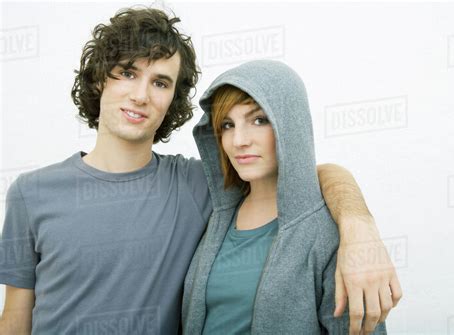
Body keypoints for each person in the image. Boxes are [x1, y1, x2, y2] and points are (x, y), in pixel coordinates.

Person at [0, 7, 401, 335]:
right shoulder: (31, 193)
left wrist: (359, 227)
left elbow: (306, 173)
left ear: (173, 99)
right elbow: (16, 317)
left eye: (160, 82)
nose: (140, 95)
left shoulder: (199, 187)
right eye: (126, 72)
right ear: (99, 78)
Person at [182, 60, 388, 334]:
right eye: (228, 124)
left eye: (259, 120)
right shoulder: (213, 212)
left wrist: (360, 223)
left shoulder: (329, 234)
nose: (239, 140)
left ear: (289, 125)